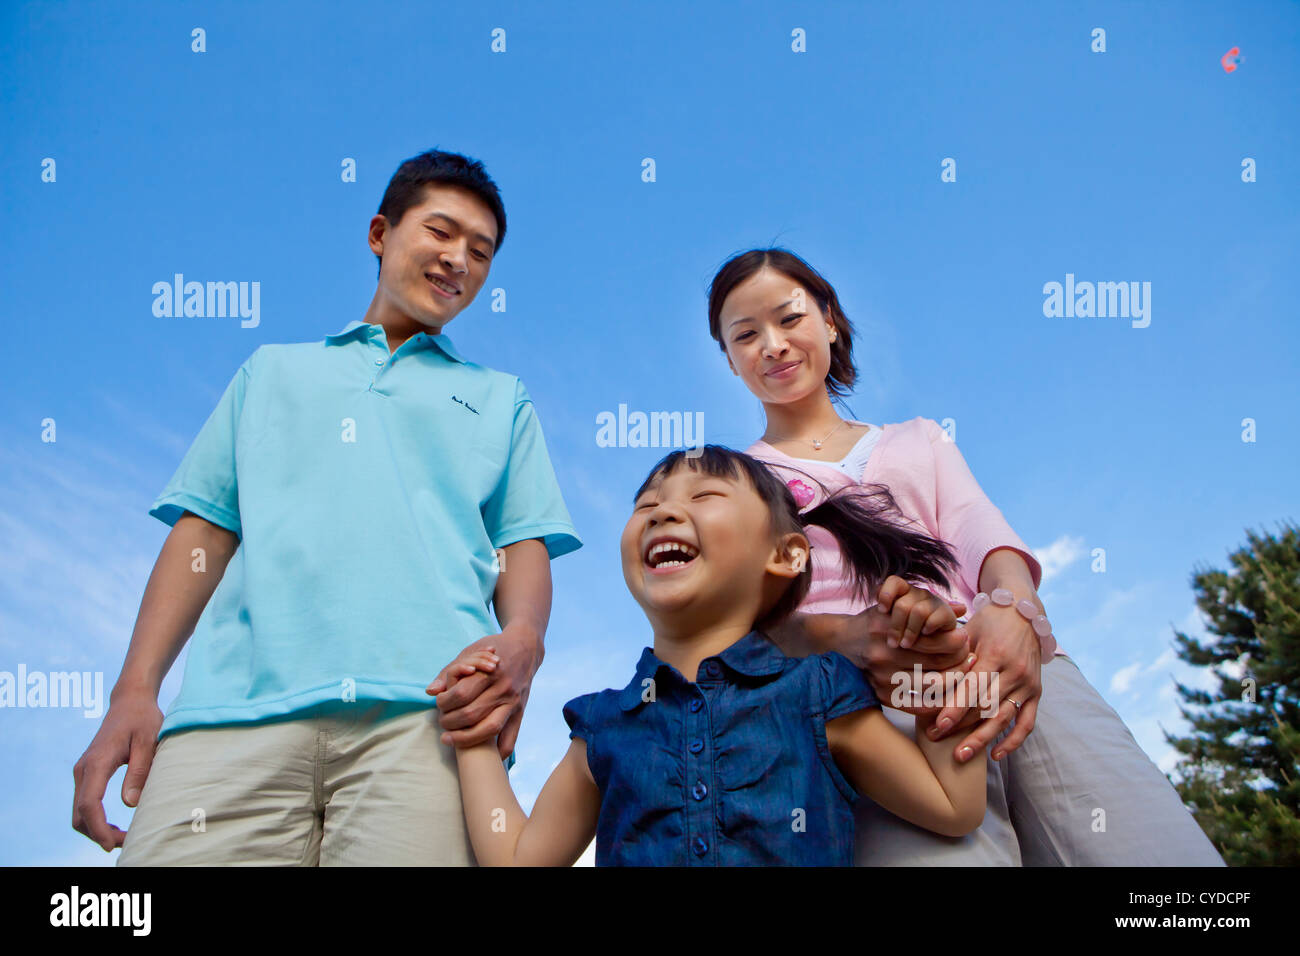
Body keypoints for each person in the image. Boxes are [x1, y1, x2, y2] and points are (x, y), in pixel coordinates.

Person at [71, 149, 581, 865]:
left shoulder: (502, 398)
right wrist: (135, 690)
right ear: (380, 233)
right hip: (227, 722)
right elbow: (205, 532)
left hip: (428, 722)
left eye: (481, 251)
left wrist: (524, 638)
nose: (458, 259)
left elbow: (521, 539)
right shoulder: (272, 372)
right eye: (440, 232)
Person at [709, 246, 1225, 865]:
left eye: (790, 318)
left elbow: (973, 522)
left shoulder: (919, 437)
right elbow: (736, 617)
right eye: (746, 335)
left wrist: (1016, 611)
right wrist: (840, 636)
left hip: (1014, 663)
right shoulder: (737, 480)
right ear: (731, 361)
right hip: (880, 697)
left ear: (830, 321)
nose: (774, 344)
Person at [435, 445, 989, 865]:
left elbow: (951, 806)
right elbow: (518, 858)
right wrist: (476, 734)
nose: (662, 513)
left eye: (703, 497)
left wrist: (931, 677)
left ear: (786, 555)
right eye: (647, 504)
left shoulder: (818, 690)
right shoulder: (604, 724)